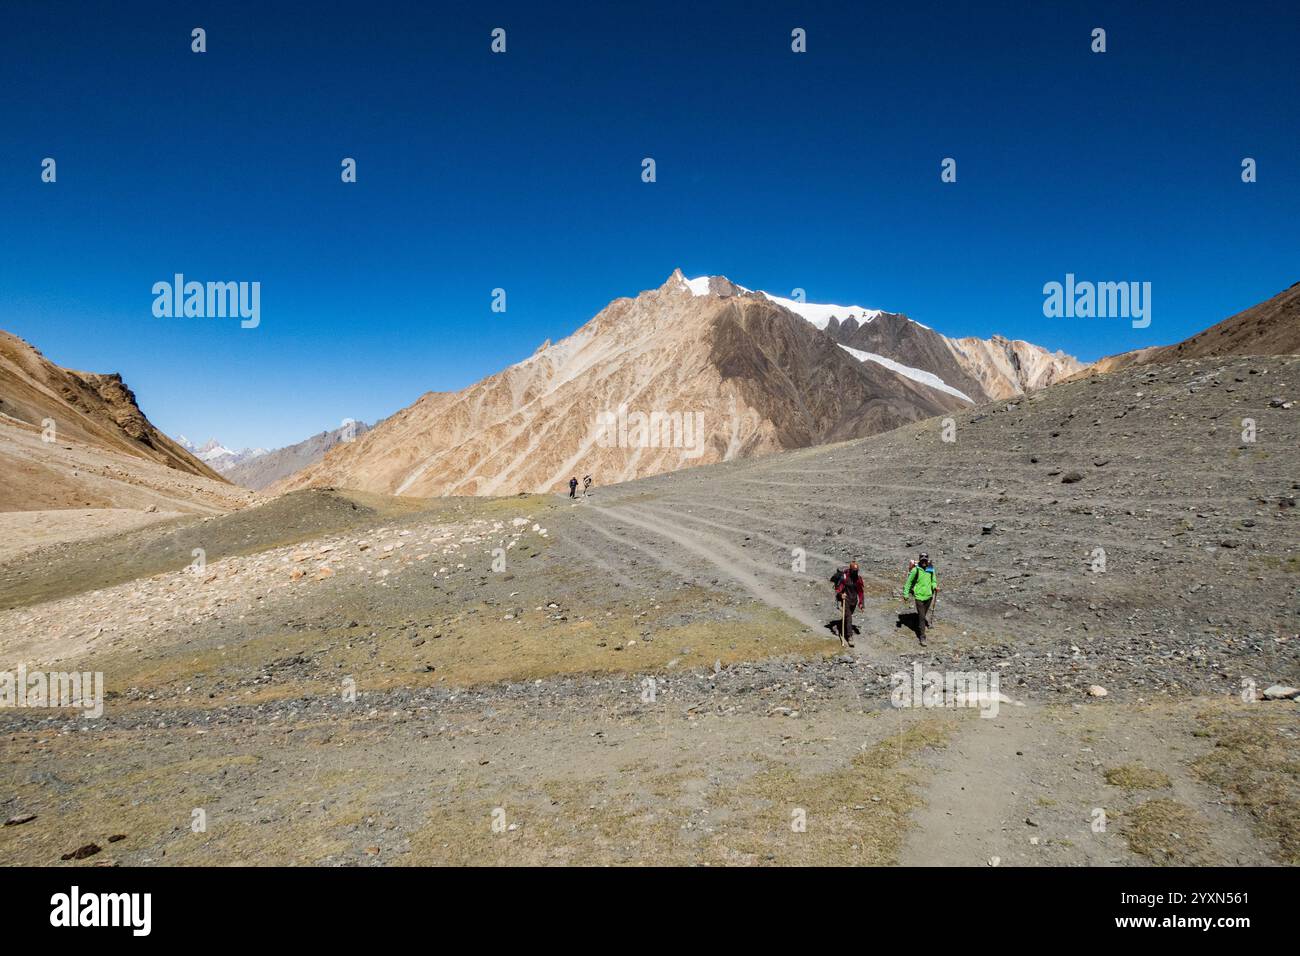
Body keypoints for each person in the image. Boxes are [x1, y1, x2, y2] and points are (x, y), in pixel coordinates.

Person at [904, 552, 938, 646]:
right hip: (919, 596)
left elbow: (933, 581)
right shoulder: (916, 570)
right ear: (920, 560)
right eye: (922, 560)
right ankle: (922, 636)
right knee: (922, 617)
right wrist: (906, 594)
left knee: (922, 615)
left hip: (929, 596)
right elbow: (908, 582)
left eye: (925, 560)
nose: (924, 562)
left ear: (927, 560)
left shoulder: (931, 569)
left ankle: (917, 622)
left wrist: (935, 587)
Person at [833, 560, 864, 647]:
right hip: (846, 600)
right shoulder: (845, 578)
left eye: (856, 571)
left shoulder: (858, 579)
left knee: (847, 617)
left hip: (854, 601)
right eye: (854, 571)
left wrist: (861, 604)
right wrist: (841, 594)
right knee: (849, 617)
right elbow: (838, 589)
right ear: (850, 570)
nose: (855, 573)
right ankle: (849, 637)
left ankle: (839, 626)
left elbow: (860, 592)